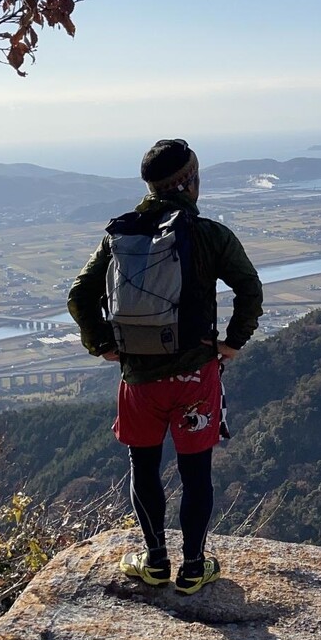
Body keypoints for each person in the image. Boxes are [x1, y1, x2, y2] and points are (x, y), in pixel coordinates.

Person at [67, 139, 262, 594]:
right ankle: (193, 567)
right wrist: (232, 343)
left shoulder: (121, 234)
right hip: (195, 376)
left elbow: (79, 295)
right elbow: (250, 290)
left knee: (144, 466)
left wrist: (102, 343)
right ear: (190, 182)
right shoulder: (210, 234)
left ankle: (155, 561)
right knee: (195, 473)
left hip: (140, 379)